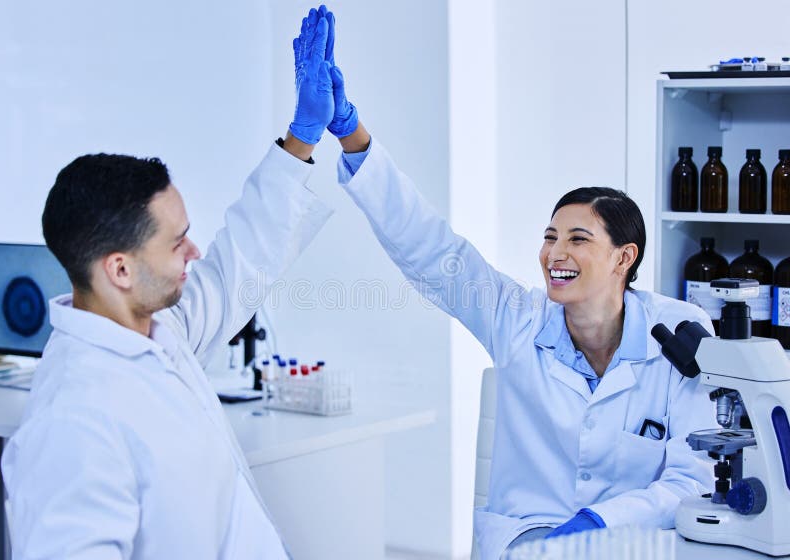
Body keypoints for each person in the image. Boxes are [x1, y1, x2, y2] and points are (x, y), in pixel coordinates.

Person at [307, 7, 717, 559]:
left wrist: (601, 519)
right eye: (550, 237)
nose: (555, 254)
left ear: (624, 257)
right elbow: (433, 251)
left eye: (578, 239)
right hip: (529, 541)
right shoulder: (517, 317)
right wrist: (352, 136)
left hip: (632, 545)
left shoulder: (681, 335)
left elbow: (692, 478)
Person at [1, 8, 338, 559]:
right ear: (120, 269)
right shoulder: (72, 422)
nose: (194, 252)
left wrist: (301, 136)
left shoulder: (156, 331)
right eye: (176, 241)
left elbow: (239, 261)